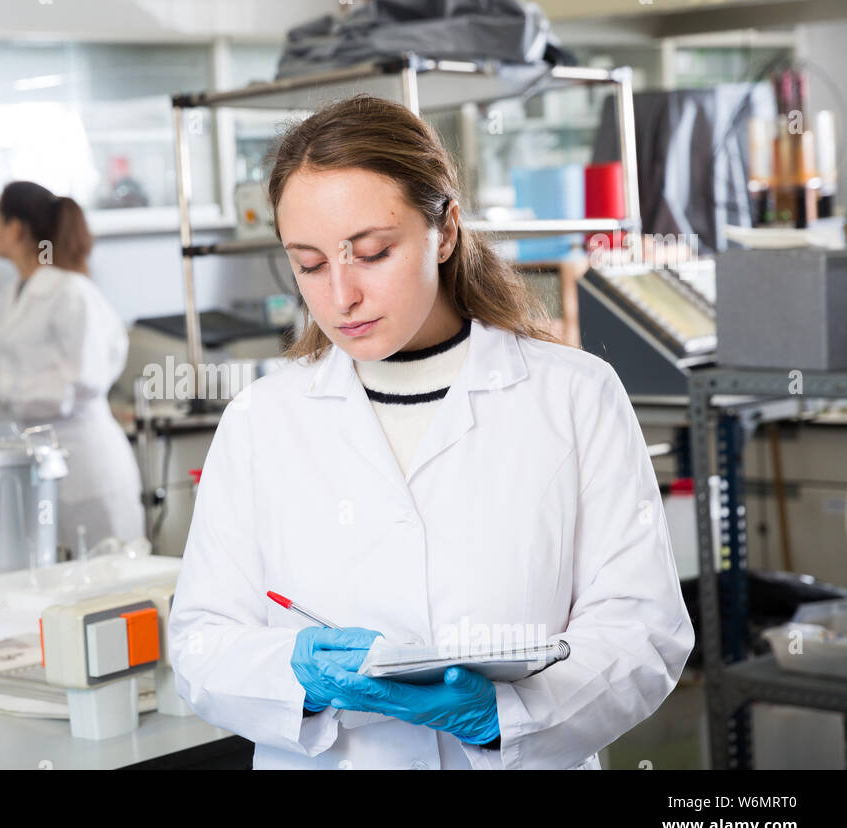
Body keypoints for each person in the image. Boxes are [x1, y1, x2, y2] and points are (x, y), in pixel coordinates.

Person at [168, 95, 695, 769]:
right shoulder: (261, 419)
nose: (340, 295)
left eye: (372, 252)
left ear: (444, 231)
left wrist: (504, 717)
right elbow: (201, 643)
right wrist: (292, 675)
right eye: (308, 263)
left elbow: (642, 633)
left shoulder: (573, 397)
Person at [0, 181, 144, 551]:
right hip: (45, 463)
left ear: (17, 228)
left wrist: (3, 388)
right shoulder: (18, 292)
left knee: (117, 584)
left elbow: (81, 382)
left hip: (89, 466)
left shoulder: (71, 293)